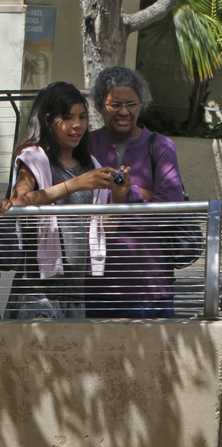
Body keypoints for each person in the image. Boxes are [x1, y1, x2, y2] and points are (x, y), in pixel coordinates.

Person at [3, 81, 126, 318]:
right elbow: (20, 202)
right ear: (49, 121)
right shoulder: (33, 159)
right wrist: (75, 185)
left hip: (74, 295)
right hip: (36, 295)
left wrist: (119, 194)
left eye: (82, 117)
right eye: (68, 118)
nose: (77, 125)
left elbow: (106, 228)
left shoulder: (91, 165)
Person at [86, 66, 190, 318]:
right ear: (100, 106)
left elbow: (171, 207)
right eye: (115, 105)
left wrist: (125, 193)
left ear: (141, 104)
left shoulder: (160, 146)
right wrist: (143, 194)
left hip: (148, 286)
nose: (124, 112)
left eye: (131, 104)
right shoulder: (86, 145)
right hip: (95, 287)